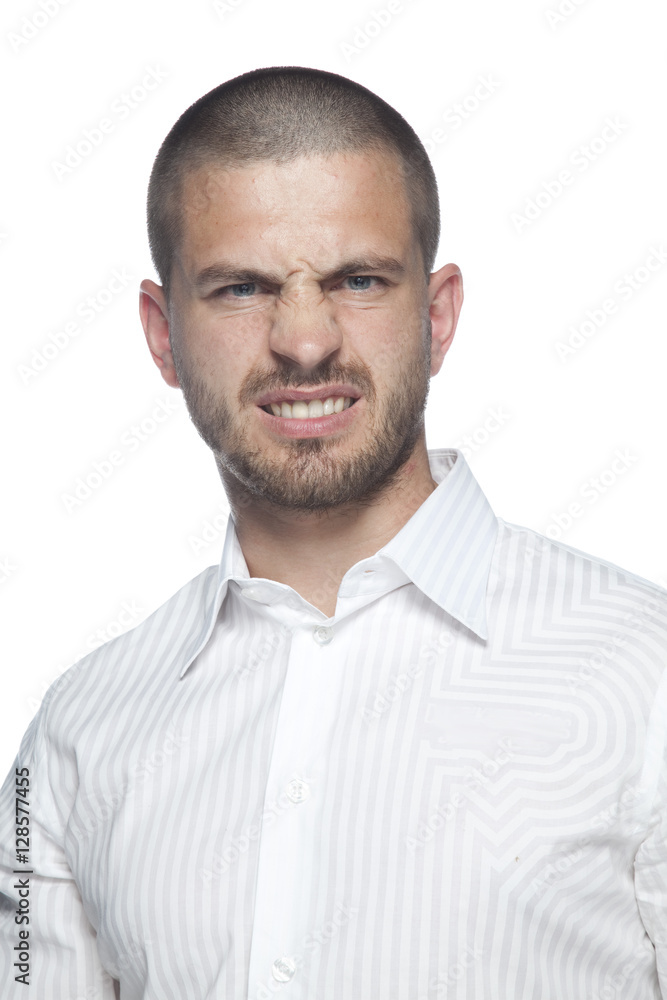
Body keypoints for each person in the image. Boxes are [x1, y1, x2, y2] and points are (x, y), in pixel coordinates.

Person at [1, 65, 666, 1000]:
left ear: (435, 319)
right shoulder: (73, 738)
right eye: (240, 288)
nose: (304, 341)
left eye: (357, 280)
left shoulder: (647, 681)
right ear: (162, 336)